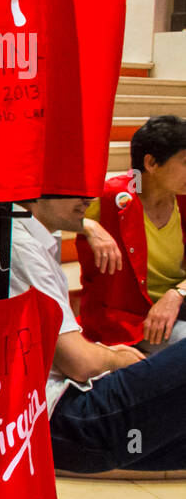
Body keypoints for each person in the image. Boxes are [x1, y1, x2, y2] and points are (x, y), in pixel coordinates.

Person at [11, 196, 186, 472]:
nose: (87, 197)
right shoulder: (19, 244)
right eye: (73, 185)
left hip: (70, 403)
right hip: (64, 417)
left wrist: (88, 225)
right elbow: (80, 363)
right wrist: (118, 360)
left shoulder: (30, 232)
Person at [78, 115, 186, 354]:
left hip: (178, 305)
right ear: (152, 163)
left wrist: (177, 293)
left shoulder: (183, 197)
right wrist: (88, 226)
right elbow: (42, 215)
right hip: (131, 319)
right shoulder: (112, 197)